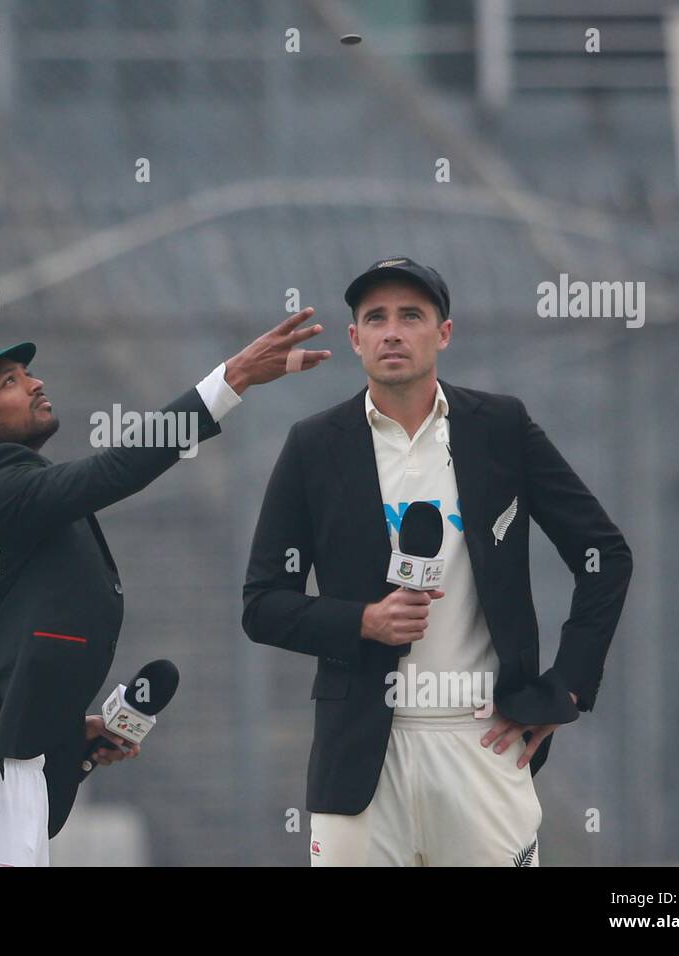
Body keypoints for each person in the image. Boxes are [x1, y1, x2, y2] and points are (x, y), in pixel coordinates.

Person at [0, 310, 330, 866]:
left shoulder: (20, 490)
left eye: (27, 373)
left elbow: (17, 649)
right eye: (9, 381)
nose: (35, 382)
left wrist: (65, 730)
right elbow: (116, 468)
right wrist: (230, 380)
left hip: (9, 769)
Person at [243, 257, 633, 866]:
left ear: (443, 333)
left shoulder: (500, 427)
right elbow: (262, 605)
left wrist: (568, 689)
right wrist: (362, 621)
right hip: (360, 759)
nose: (391, 331)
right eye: (375, 318)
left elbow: (604, 555)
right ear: (355, 339)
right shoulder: (313, 445)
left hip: (483, 742)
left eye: (411, 316)